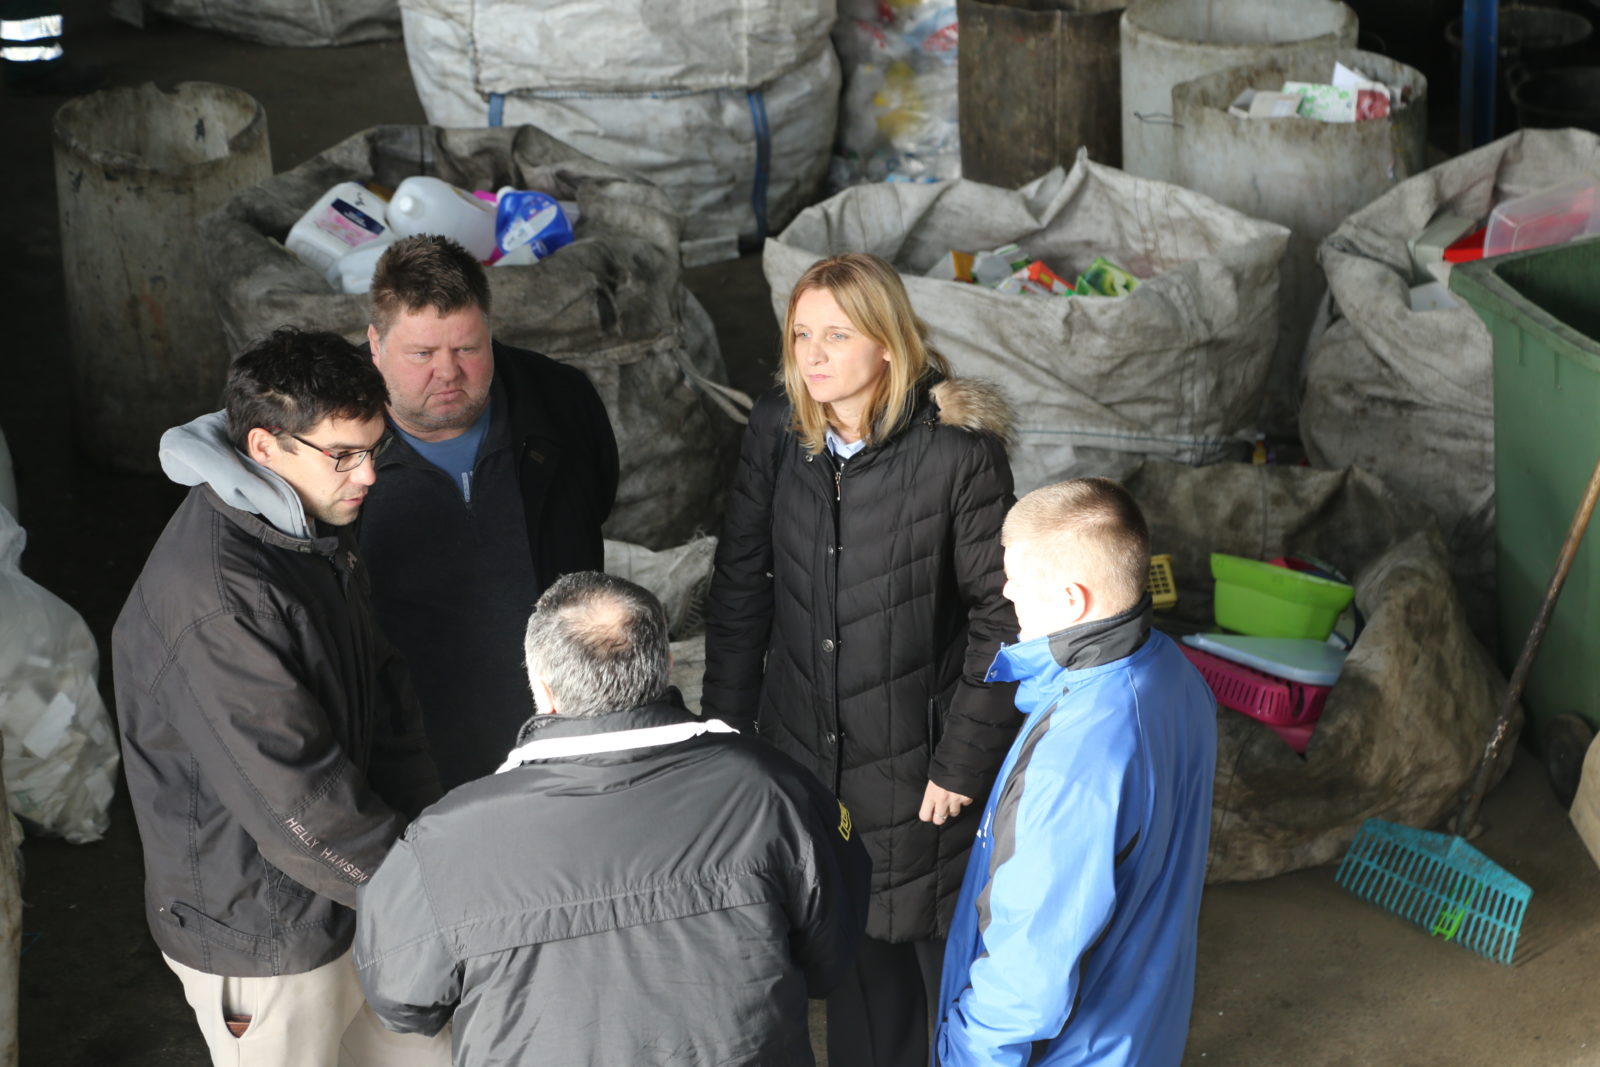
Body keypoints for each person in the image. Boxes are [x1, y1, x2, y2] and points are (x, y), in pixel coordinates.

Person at [702, 252, 1020, 1067]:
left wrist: (960, 760)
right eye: (801, 334)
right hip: (806, 745)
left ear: (888, 343)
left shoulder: (957, 456)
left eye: (836, 334)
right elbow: (743, 583)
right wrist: (728, 730)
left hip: (919, 764)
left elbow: (1003, 615)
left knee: (934, 962)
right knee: (852, 967)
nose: (812, 354)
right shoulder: (780, 433)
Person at [355, 571, 872, 1065]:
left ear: (543, 687)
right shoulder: (776, 790)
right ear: (666, 664)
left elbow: (401, 998)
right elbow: (831, 955)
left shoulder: (445, 838)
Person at [112, 328, 451, 1067]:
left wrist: (431, 848)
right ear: (265, 447)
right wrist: (428, 896)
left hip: (353, 893)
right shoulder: (217, 598)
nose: (367, 475)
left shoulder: (302, 531)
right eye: (344, 454)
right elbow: (297, 802)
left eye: (374, 449)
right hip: (264, 938)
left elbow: (383, 691)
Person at [935, 478, 1218, 1067]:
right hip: (1141, 1029)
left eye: (1016, 578)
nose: (1005, 590)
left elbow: (1026, 980)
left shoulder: (1076, 757)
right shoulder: (1175, 674)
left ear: (1071, 601)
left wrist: (963, 1056)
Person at [358, 234, 619, 790]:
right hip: (413, 761)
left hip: (562, 742)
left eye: (468, 349)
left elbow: (597, 500)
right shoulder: (330, 447)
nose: (448, 372)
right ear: (376, 346)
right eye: (422, 354)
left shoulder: (559, 402)